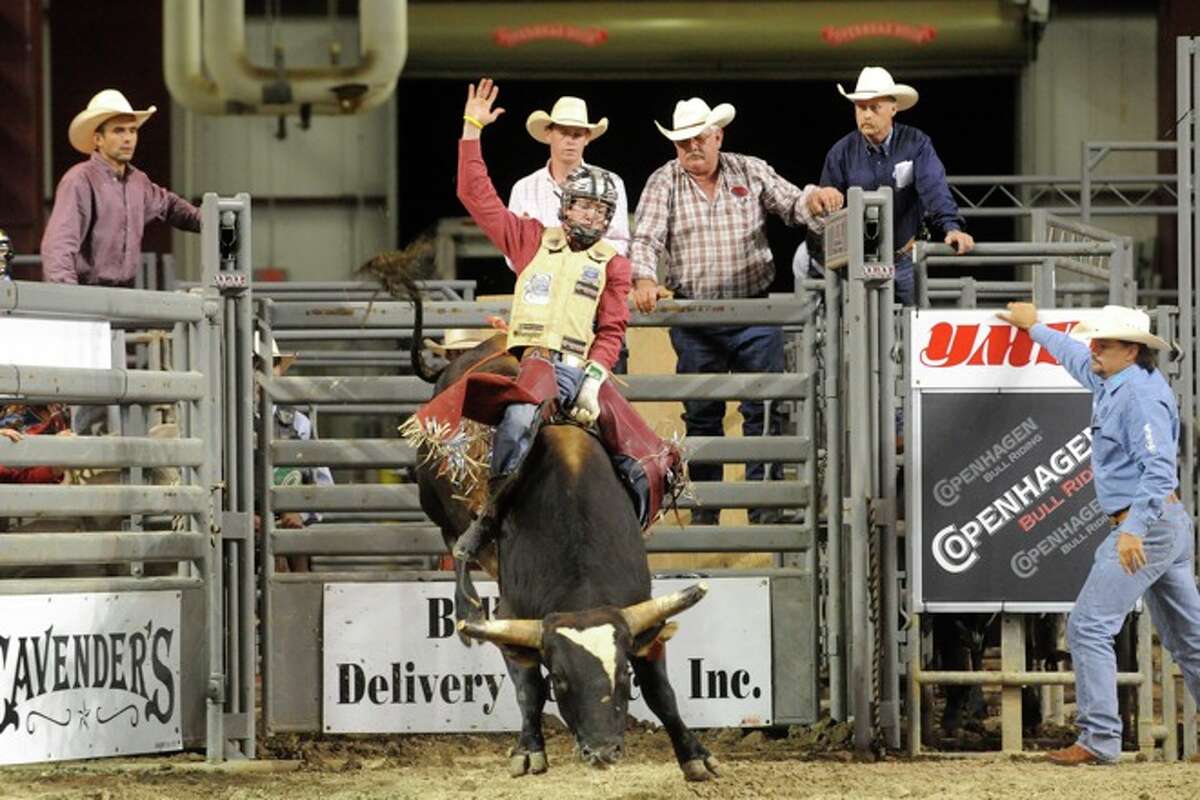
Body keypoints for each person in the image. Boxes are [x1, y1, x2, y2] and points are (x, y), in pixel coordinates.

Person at [403, 78, 682, 563]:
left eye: (600, 210)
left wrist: (595, 380)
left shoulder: (612, 264)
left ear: (609, 216)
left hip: (583, 369)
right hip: (534, 362)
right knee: (516, 423)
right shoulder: (531, 238)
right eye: (583, 206)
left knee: (649, 456)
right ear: (565, 207)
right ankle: (491, 516)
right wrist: (472, 131)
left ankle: (628, 538)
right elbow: (475, 194)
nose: (590, 216)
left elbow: (613, 328)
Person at [997, 301, 1200, 765]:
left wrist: (1133, 530)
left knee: (1089, 625)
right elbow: (1075, 356)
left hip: (1144, 525)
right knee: (1190, 640)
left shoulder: (1137, 397)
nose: (1093, 348)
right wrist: (1037, 329)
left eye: (1103, 343)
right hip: (1161, 524)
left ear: (1130, 351)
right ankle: (1100, 738)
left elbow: (1158, 470)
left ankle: (1099, 740)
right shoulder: (1119, 381)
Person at [629, 96, 842, 525]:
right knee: (702, 414)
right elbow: (646, 238)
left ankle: (763, 509)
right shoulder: (663, 182)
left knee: (761, 409)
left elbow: (792, 202)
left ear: (718, 136)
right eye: (683, 141)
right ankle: (706, 509)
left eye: (700, 138)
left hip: (752, 312)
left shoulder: (749, 168)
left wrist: (816, 199)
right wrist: (644, 279)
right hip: (695, 315)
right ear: (675, 145)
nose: (692, 148)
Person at [816, 66, 974, 305]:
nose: (866, 115)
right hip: (857, 262)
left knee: (916, 324)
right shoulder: (841, 153)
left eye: (874, 107)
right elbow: (828, 210)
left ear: (893, 108)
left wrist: (951, 227)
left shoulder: (916, 143)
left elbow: (933, 186)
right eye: (861, 107)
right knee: (856, 328)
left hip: (904, 256)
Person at [41, 89, 201, 287]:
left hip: (122, 295)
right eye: (119, 131)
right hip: (88, 293)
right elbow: (59, 244)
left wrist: (212, 222)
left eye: (132, 130)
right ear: (98, 139)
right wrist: (68, 296)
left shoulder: (138, 182)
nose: (128, 138)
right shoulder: (80, 180)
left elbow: (169, 206)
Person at [508, 96, 630, 258]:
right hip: (535, 277)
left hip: (592, 278)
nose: (570, 141)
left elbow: (620, 243)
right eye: (563, 133)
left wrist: (578, 260)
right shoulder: (523, 188)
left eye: (577, 134)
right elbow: (511, 249)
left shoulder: (611, 183)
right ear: (548, 134)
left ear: (586, 139)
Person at [253, 336, 333, 573]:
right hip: (238, 537)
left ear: (279, 370)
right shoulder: (223, 424)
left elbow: (322, 486)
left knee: (296, 553)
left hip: (288, 533)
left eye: (271, 365)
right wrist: (237, 517)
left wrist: (301, 512)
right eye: (256, 365)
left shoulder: (299, 423)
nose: (263, 374)